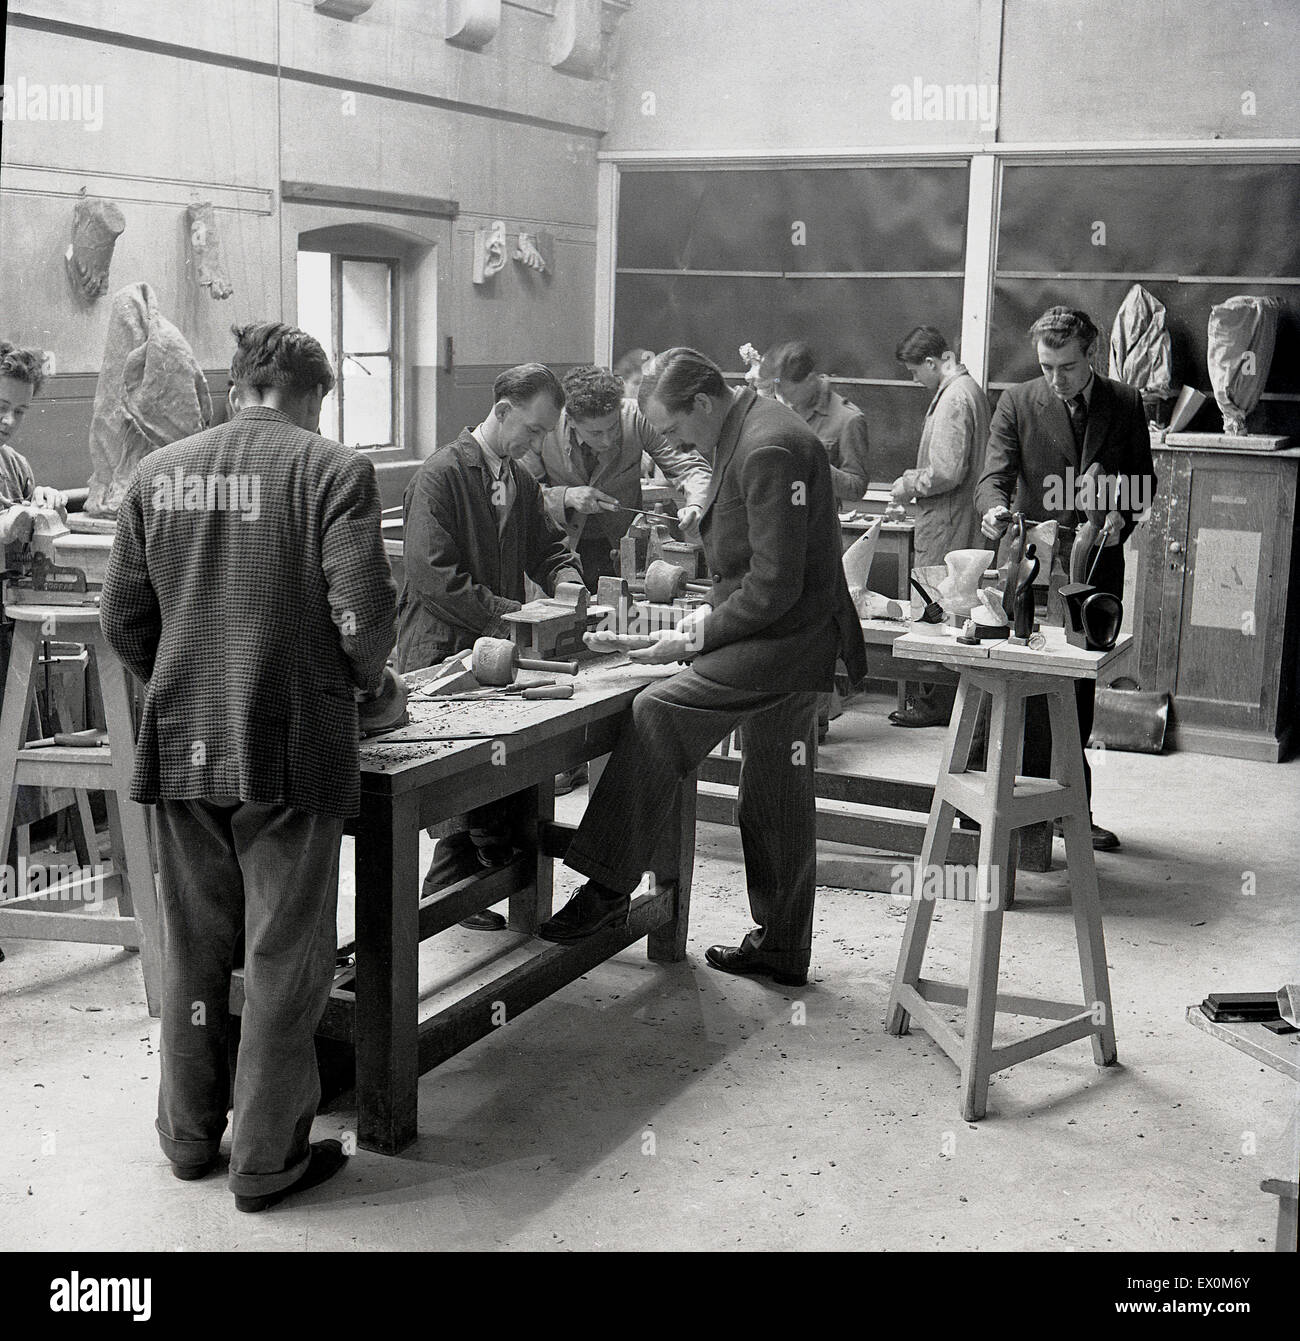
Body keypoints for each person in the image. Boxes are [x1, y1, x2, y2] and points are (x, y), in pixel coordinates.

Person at [100, 322, 397, 1211]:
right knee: (284, 960)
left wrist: (181, 684)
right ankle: (267, 1160)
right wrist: (365, 683)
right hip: (290, 747)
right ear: (310, 395)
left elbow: (123, 618)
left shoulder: (159, 473)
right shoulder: (332, 470)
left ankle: (189, 1138)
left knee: (194, 952)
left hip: (183, 742)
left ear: (239, 387)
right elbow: (362, 619)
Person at [537, 348, 867, 988]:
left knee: (657, 709)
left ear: (705, 403)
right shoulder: (753, 424)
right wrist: (698, 617)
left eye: (677, 426)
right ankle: (782, 949)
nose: (674, 440)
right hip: (792, 634)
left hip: (787, 642)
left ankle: (607, 885)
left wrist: (695, 637)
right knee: (776, 794)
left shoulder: (768, 446)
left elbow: (772, 587)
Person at [394, 363, 583, 928]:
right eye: (533, 429)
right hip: (441, 648)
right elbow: (435, 578)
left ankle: (473, 878)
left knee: (496, 769)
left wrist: (566, 577)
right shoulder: (439, 477)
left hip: (493, 647)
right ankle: (447, 893)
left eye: (546, 432)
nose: (539, 442)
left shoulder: (518, 481)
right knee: (454, 777)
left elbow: (546, 547)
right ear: (501, 412)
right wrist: (516, 615)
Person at [975, 306, 1157, 851]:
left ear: (1091, 353)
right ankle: (1010, 810)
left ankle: (1071, 811)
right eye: (1047, 367)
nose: (1056, 380)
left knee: (1077, 690)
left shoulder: (1123, 403)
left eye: (1068, 368)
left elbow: (1144, 484)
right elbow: (994, 476)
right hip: (1032, 564)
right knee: (1022, 685)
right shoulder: (1017, 401)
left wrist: (1122, 511)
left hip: (1097, 563)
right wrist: (992, 509)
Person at [523, 364, 711, 590]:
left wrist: (697, 505)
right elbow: (524, 495)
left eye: (613, 428)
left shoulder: (636, 418)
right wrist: (566, 496)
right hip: (561, 552)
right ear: (570, 420)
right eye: (595, 433)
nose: (607, 441)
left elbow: (690, 467)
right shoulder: (546, 428)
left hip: (624, 552)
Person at [888, 327, 991, 728]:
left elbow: (946, 471)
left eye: (916, 372)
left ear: (933, 363)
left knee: (935, 609)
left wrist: (908, 484)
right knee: (954, 610)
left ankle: (935, 705)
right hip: (959, 520)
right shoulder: (970, 391)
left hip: (947, 522)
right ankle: (950, 705)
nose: (916, 380)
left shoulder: (953, 398)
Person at [765, 341, 870, 503]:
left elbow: (856, 488)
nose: (783, 397)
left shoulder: (848, 419)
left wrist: (814, 463)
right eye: (779, 389)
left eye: (791, 391)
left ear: (811, 380)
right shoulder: (775, 408)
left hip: (816, 522)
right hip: (774, 517)